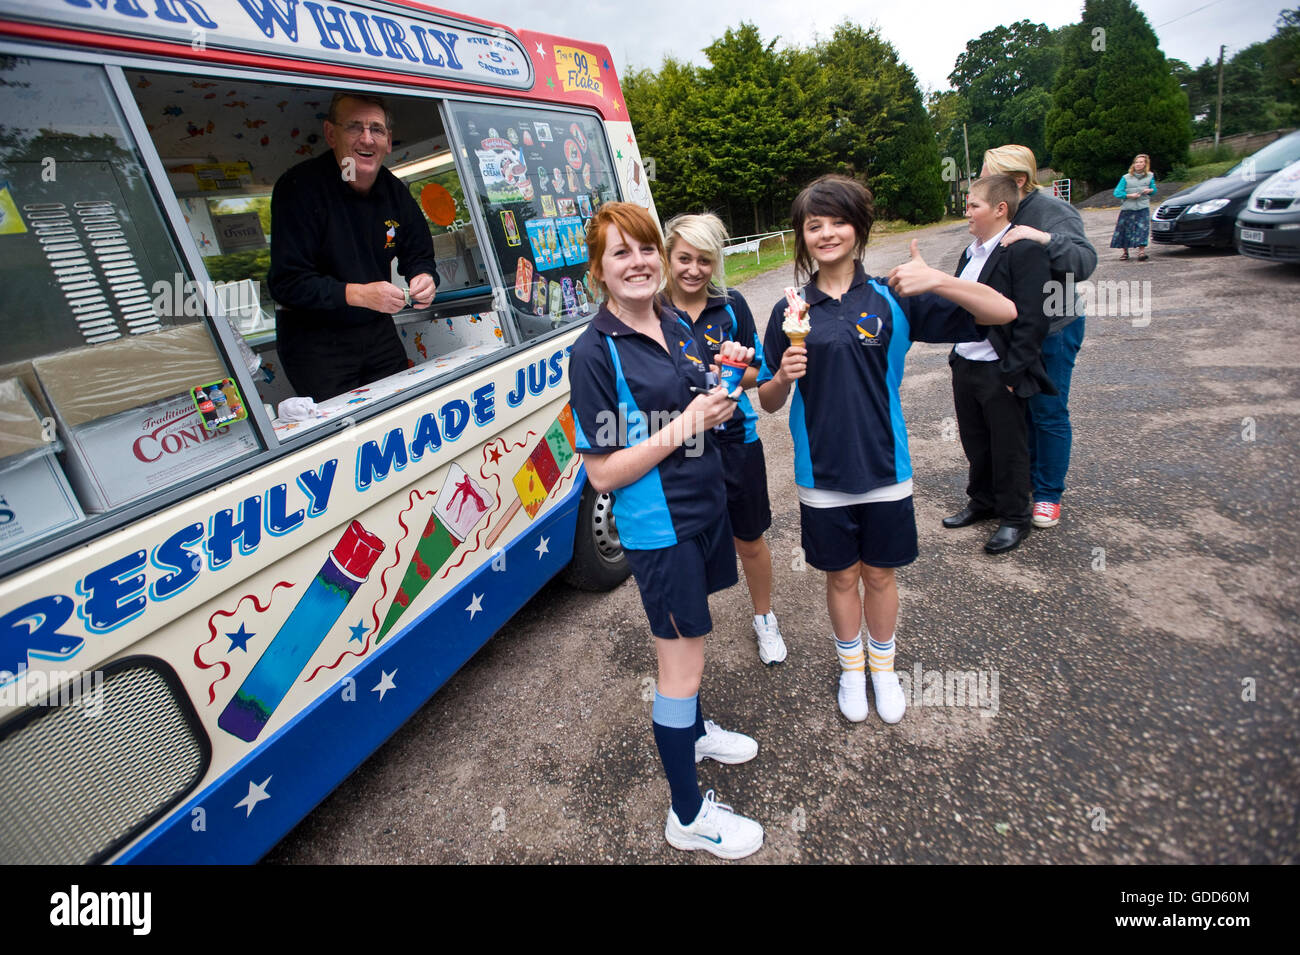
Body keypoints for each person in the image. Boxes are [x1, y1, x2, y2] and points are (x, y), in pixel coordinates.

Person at [757, 175, 1017, 725]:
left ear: (859, 228)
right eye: (814, 225)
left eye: (838, 221)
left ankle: (883, 667)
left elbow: (1002, 312)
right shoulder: (789, 309)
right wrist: (782, 374)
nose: (827, 233)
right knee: (841, 576)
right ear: (802, 238)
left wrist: (939, 279)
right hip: (819, 471)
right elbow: (770, 401)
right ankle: (851, 670)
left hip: (885, 466)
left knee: (879, 575)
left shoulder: (893, 296)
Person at [567, 201, 764, 860]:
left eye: (646, 248)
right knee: (679, 666)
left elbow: (698, 396)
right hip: (661, 528)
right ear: (599, 268)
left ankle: (699, 728)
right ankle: (687, 814)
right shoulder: (594, 352)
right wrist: (685, 425)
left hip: (706, 508)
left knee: (696, 642)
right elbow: (602, 471)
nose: (640, 262)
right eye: (621, 253)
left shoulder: (675, 317)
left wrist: (726, 371)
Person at [664, 213, 786, 665]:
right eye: (683, 259)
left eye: (703, 260)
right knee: (686, 545)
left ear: (715, 262)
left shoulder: (731, 304)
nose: (693, 269)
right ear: (667, 257)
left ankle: (764, 617)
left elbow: (761, 372)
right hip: (683, 444)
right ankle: (691, 633)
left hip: (737, 440)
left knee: (749, 538)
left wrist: (730, 374)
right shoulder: (654, 310)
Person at [268, 92, 439, 402]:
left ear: (388, 140)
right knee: (346, 434)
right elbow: (286, 283)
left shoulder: (394, 191)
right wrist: (359, 294)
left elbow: (419, 253)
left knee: (402, 411)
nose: (367, 138)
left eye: (376, 129)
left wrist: (424, 276)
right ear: (331, 134)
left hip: (378, 333)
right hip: (316, 342)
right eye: (354, 127)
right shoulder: (299, 187)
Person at [981, 144, 1098, 530]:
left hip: (1054, 328)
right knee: (1022, 407)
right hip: (1018, 332)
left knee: (1048, 410)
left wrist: (1046, 240)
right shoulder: (1003, 210)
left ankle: (1048, 495)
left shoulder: (1052, 211)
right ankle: (1028, 481)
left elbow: (1084, 262)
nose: (981, 183)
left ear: (1017, 181)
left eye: (987, 176)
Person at [943, 175, 1056, 555]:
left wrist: (1013, 372)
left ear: (1000, 209)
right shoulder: (970, 252)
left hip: (999, 368)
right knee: (976, 441)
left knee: (1009, 446)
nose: (967, 211)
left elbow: (1033, 318)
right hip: (966, 364)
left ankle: (1014, 517)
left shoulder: (1022, 251)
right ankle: (983, 501)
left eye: (974, 205)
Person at [1110, 154, 1157, 260]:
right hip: (1128, 208)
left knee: (1142, 229)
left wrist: (1150, 190)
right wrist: (1129, 195)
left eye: (1141, 162)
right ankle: (1125, 252)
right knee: (1125, 230)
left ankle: (1141, 252)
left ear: (1145, 164)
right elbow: (1117, 192)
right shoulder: (1126, 177)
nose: (1138, 164)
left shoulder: (1150, 176)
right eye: (1136, 162)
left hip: (1142, 207)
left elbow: (1154, 190)